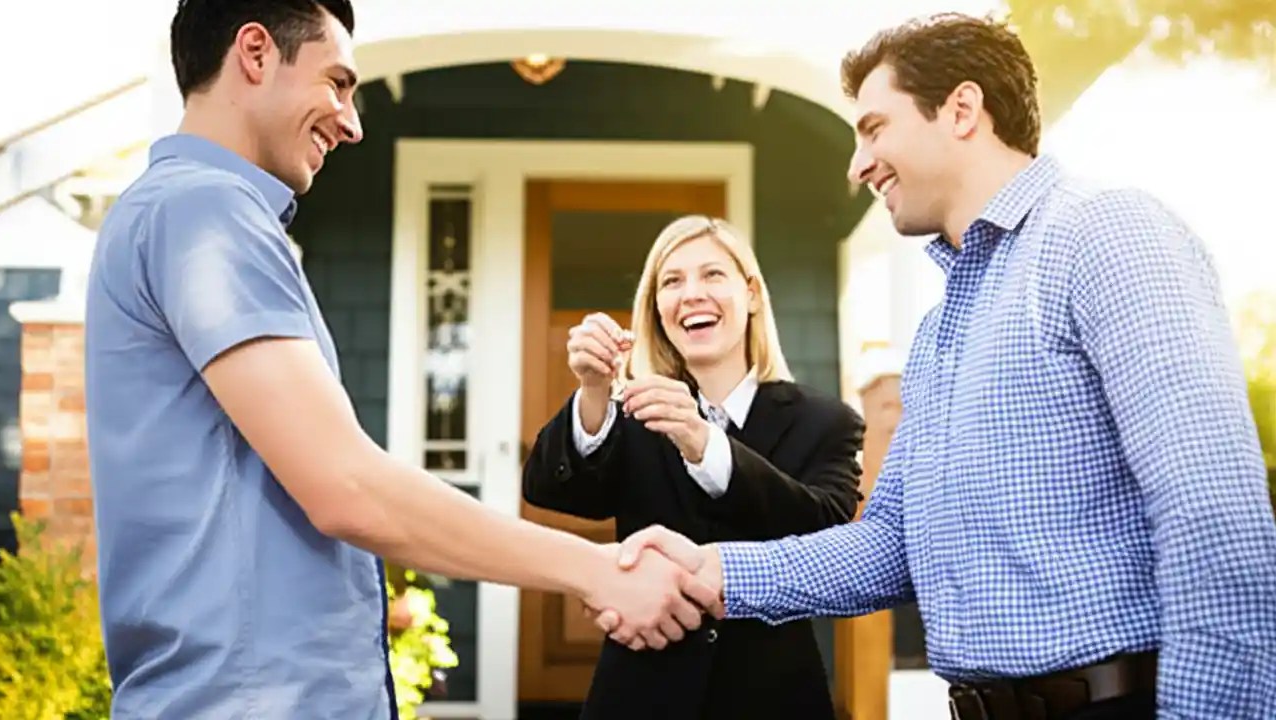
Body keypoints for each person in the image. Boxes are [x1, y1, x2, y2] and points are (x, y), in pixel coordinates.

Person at [604, 13, 1276, 720]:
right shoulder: (938, 332)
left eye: (874, 129)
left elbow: (1213, 514)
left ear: (961, 110)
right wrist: (710, 570)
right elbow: (891, 544)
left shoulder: (1103, 235)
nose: (857, 164)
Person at [83, 2, 717, 718]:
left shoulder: (183, 214)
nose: (352, 123)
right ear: (255, 53)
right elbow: (345, 485)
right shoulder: (204, 214)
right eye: (338, 83)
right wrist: (596, 569)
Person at [523, 215, 864, 720]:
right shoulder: (634, 416)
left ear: (750, 293)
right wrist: (593, 393)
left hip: (773, 697)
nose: (692, 294)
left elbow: (823, 530)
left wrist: (706, 444)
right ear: (657, 309)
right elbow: (552, 491)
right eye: (672, 281)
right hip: (639, 696)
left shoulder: (826, 421)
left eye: (712, 275)